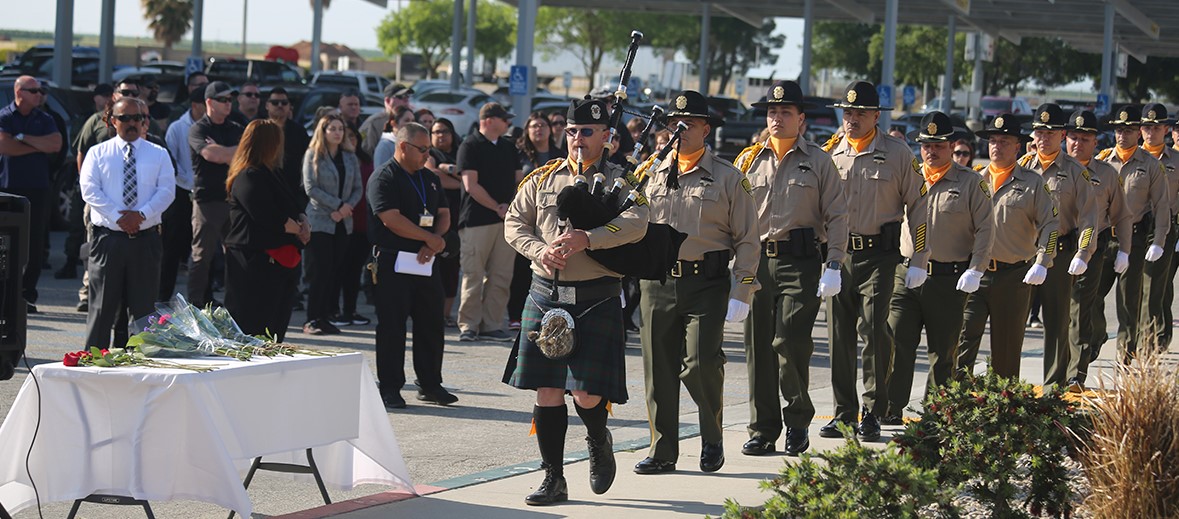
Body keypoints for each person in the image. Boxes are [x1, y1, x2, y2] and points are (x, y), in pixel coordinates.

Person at [504, 96, 649, 505]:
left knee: (586, 394)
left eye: (587, 132)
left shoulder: (624, 182)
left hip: (595, 296)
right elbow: (514, 223)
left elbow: (638, 222)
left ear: (607, 136)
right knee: (547, 390)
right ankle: (554, 478)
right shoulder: (543, 178)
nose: (578, 139)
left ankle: (598, 437)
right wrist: (538, 250)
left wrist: (591, 237)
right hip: (545, 294)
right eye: (571, 131)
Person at [634, 90, 760, 475]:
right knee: (659, 368)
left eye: (689, 123)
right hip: (657, 283)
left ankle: (712, 437)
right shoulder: (648, 173)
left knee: (701, 363)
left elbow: (749, 239)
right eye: (674, 123)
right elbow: (630, 226)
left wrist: (743, 288)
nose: (680, 129)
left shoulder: (729, 178)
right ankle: (662, 449)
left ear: (706, 129)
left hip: (706, 284)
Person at [735, 81, 849, 457]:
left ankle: (798, 420)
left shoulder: (818, 160)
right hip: (755, 262)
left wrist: (834, 261)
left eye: (785, 113)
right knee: (758, 347)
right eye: (772, 112)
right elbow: (731, 216)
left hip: (800, 262)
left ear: (801, 119)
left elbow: (837, 214)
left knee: (789, 340)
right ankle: (763, 429)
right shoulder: (748, 161)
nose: (777, 118)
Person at [820, 81, 929, 441]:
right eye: (847, 112)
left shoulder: (898, 153)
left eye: (860, 113)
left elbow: (919, 206)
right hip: (839, 255)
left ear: (876, 116)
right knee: (839, 335)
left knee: (873, 330)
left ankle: (872, 409)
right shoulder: (830, 153)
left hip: (880, 256)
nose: (851, 119)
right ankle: (844, 412)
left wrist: (920, 257)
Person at [884, 111, 994, 423]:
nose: (932, 151)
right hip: (906, 275)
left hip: (947, 279)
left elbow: (986, 228)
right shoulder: (909, 177)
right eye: (926, 145)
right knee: (896, 343)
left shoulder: (971, 182)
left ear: (951, 146)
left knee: (943, 353)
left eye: (939, 145)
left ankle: (936, 412)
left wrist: (977, 268)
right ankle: (892, 408)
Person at [957, 113, 1059, 379]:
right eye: (993, 140)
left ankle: (1002, 409)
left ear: (1018, 146)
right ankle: (954, 407)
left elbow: (1050, 223)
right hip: (975, 274)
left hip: (1012, 275)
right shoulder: (973, 180)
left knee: (1006, 350)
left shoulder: (1033, 183)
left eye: (1004, 141)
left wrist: (1042, 261)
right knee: (963, 342)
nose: (997, 146)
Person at [368, 122, 456, 409]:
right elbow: (391, 218)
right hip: (394, 260)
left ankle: (430, 384)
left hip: (425, 261)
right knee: (393, 327)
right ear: (403, 146)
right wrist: (430, 239)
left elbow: (443, 213)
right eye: (422, 149)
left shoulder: (429, 178)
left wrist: (436, 240)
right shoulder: (384, 177)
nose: (427, 154)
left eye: (428, 148)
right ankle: (390, 387)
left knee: (431, 323)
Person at [78, 97, 175, 349]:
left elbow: (167, 191)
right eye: (125, 118)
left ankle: (140, 365)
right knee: (101, 309)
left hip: (145, 240)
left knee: (144, 312)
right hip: (108, 240)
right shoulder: (98, 153)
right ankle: (93, 366)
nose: (132, 123)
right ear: (112, 121)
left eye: (137, 118)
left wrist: (140, 215)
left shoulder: (159, 153)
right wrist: (120, 217)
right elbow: (89, 190)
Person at [1018, 103, 1098, 388]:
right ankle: (1007, 387)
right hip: (1024, 253)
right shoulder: (1022, 168)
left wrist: (1084, 252)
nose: (1044, 138)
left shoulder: (1076, 172)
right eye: (1039, 132)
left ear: (1062, 135)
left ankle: (1054, 386)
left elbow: (1090, 217)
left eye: (1050, 132)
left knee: (1056, 322)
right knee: (1015, 322)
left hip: (1061, 254)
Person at [1093, 105, 1170, 363]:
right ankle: (1097, 334)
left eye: (1128, 130)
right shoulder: (1102, 162)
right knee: (1090, 295)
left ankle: (1125, 357)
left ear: (1138, 132)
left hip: (1134, 240)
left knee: (1128, 305)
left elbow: (1162, 205)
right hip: (1103, 239)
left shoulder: (1150, 166)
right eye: (1118, 130)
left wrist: (1159, 241)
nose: (1122, 135)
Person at [224, 119, 309, 342]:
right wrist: (295, 227)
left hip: (280, 260)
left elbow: (292, 203)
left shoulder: (273, 172)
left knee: (275, 325)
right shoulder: (248, 175)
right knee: (254, 325)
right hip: (254, 261)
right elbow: (265, 215)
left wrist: (302, 219)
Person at [1066, 110, 1131, 390]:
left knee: (1082, 304)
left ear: (1095, 143)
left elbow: (1122, 215)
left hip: (1093, 246)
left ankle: (1075, 373)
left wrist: (1125, 250)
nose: (1077, 143)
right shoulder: (1045, 170)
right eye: (1073, 138)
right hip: (1054, 247)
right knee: (1060, 309)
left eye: (1085, 138)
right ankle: (1064, 360)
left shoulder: (1106, 173)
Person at [455, 103, 521, 342]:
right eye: (504, 119)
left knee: (501, 275)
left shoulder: (508, 146)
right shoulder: (469, 145)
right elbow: (470, 185)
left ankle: (491, 324)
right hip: (476, 221)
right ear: (489, 120)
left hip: (505, 222)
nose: (508, 123)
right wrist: (497, 207)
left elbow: (518, 182)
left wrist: (509, 207)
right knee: (473, 275)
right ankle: (469, 325)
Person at [0, 76, 62, 313]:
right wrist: (37, 146)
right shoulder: (5, 116)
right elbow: (4, 146)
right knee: (5, 244)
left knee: (34, 244)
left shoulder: (44, 118)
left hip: (37, 189)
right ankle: (5, 296)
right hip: (8, 189)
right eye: (33, 90)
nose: (39, 94)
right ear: (19, 92)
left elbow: (55, 144)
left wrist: (23, 139)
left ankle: (27, 295)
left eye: (40, 90)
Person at [301, 114, 362, 335]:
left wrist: (346, 208)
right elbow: (311, 188)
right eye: (332, 128)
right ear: (323, 131)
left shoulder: (349, 157)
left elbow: (358, 188)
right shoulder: (313, 155)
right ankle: (312, 319)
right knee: (320, 270)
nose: (337, 132)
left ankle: (325, 316)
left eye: (340, 129)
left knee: (334, 271)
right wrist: (337, 206)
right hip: (320, 221)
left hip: (343, 222)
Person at [188, 82, 244, 307]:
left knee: (237, 256)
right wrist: (229, 152)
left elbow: (245, 156)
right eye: (222, 100)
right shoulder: (198, 129)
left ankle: (235, 305)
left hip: (233, 200)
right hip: (207, 202)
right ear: (209, 102)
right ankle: (194, 306)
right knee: (201, 257)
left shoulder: (237, 127)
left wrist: (224, 151)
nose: (228, 104)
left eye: (230, 100)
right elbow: (212, 155)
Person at [508, 112, 559, 330]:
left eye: (542, 125)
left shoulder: (560, 155)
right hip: (526, 217)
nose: (538, 129)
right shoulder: (519, 155)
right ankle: (515, 314)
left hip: (550, 221)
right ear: (527, 130)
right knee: (520, 270)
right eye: (534, 126)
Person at [1138, 103, 1178, 351]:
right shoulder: (1130, 156)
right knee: (1133, 290)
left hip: (1164, 229)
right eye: (1146, 127)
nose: (1150, 132)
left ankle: (1152, 341)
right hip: (1130, 230)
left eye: (1156, 127)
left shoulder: (1176, 160)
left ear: (1165, 129)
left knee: (1155, 288)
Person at [159, 86, 204, 302]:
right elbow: (171, 162)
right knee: (172, 249)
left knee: (202, 250)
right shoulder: (178, 128)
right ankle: (163, 294)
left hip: (205, 194)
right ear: (195, 105)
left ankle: (203, 298)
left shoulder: (214, 127)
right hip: (181, 192)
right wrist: (188, 183)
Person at [330, 125, 373, 328]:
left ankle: (350, 309)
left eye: (354, 137)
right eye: (348, 137)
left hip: (363, 224)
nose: (351, 141)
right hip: (341, 221)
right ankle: (333, 310)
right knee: (337, 269)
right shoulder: (336, 161)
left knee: (355, 270)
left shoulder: (365, 161)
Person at [425, 118, 463, 327]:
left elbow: (472, 175)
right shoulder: (429, 154)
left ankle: (446, 314)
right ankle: (431, 312)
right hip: (435, 216)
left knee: (452, 266)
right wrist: (460, 180)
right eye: (437, 132)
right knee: (435, 265)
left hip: (458, 215)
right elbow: (434, 176)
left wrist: (447, 170)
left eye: (445, 131)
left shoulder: (461, 151)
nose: (441, 135)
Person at [360, 82, 414, 159]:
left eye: (407, 96)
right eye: (401, 97)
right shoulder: (375, 122)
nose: (406, 100)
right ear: (388, 101)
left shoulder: (412, 118)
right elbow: (365, 151)